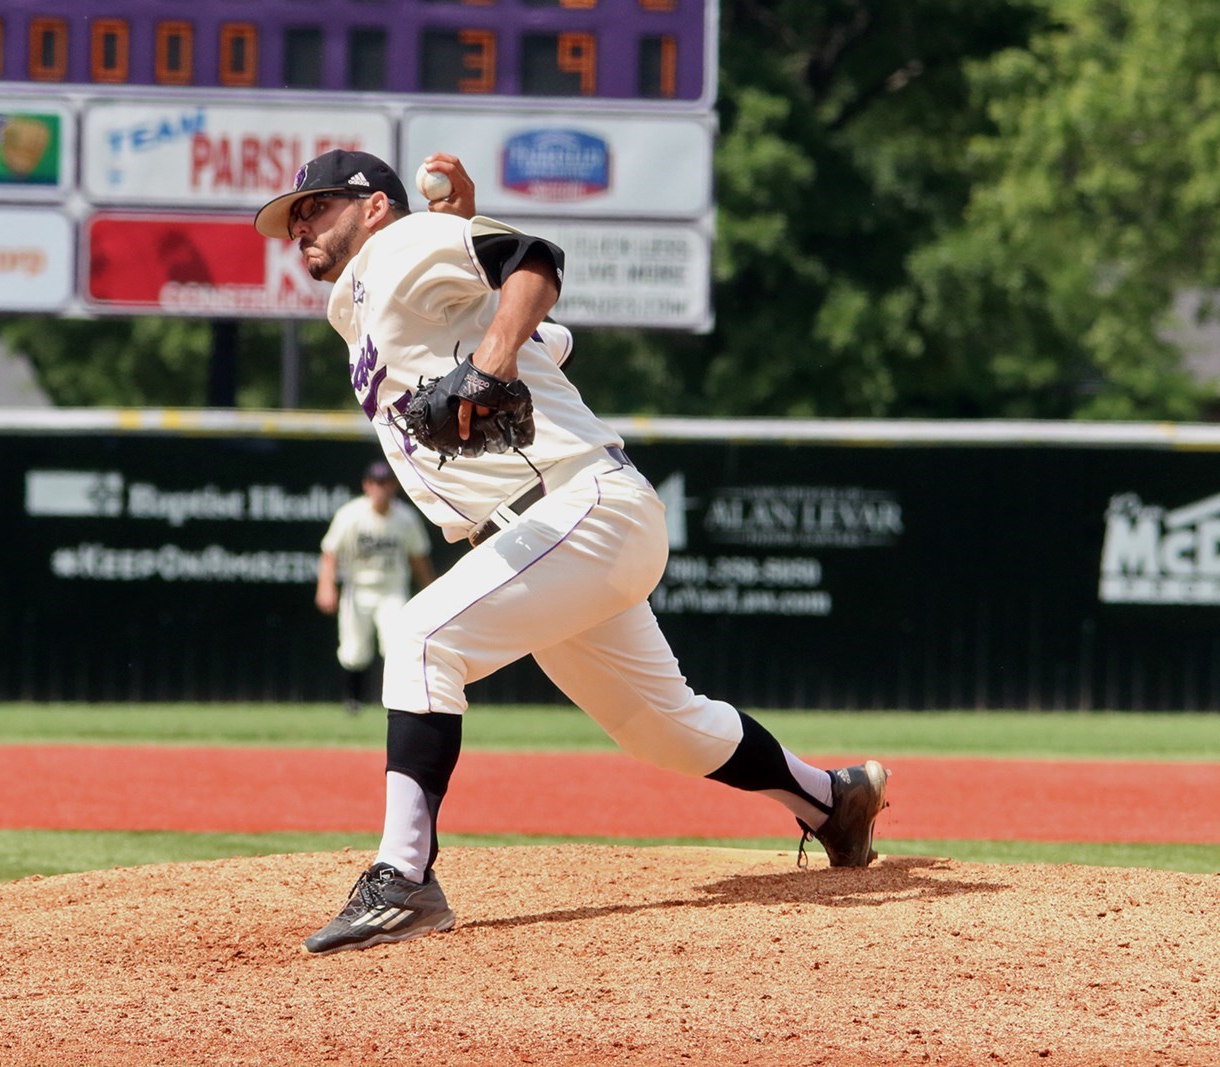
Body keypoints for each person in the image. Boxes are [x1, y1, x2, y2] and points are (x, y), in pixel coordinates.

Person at [254, 149, 890, 956]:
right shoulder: (373, 306)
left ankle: (403, 877)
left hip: (582, 505)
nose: (300, 224)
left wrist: (484, 337)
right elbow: (553, 340)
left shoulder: (399, 248)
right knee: (664, 727)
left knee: (420, 637)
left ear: (375, 206)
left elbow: (534, 260)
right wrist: (490, 320)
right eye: (293, 217)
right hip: (549, 536)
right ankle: (834, 800)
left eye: (317, 206)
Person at [317, 460, 435, 714]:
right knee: (354, 650)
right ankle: (353, 701)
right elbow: (330, 552)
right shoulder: (351, 515)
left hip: (391, 590)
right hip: (358, 589)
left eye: (386, 483)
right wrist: (325, 586)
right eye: (376, 483)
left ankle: (398, 702)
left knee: (395, 645)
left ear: (394, 486)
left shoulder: (405, 518)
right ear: (367, 485)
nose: (382, 488)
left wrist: (430, 590)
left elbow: (418, 558)